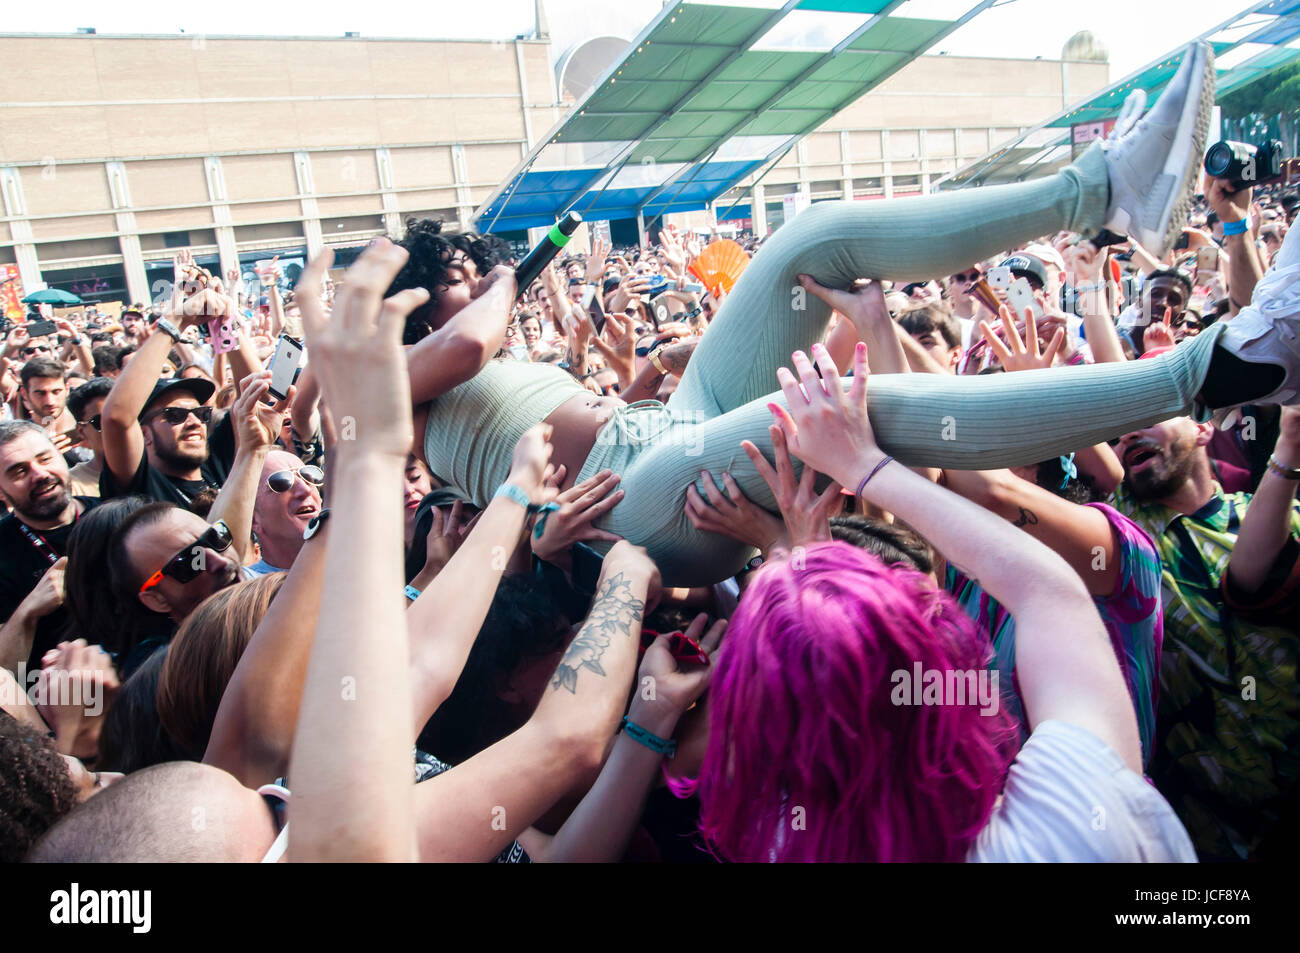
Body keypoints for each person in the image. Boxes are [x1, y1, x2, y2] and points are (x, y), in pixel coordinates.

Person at [388, 43, 1297, 585]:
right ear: (415, 303)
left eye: (480, 268)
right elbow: (469, 344)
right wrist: (515, 275)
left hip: (665, 427)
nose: (482, 279)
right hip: (656, 504)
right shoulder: (392, 383)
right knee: (848, 418)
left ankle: (1103, 188)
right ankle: (1227, 368)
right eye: (460, 270)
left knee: (809, 243)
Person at [687, 342, 1194, 862]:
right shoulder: (1067, 823)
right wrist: (862, 466)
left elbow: (828, 684)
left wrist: (806, 573)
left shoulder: (779, 842)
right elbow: (1047, 592)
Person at [1110, 407, 1300, 861]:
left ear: (1203, 430)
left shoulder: (1276, 514)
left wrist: (1290, 442)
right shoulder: (1121, 533)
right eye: (1114, 437)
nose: (1129, 432)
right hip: (1205, 828)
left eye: (1151, 415)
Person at [0, 422, 98, 673]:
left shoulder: (115, 514)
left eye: (45, 459)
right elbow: (3, 677)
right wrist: (28, 611)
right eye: (20, 471)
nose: (40, 474)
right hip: (62, 699)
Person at [65, 377, 112, 498]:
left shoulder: (159, 467)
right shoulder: (71, 487)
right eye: (101, 421)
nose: (118, 427)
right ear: (82, 431)